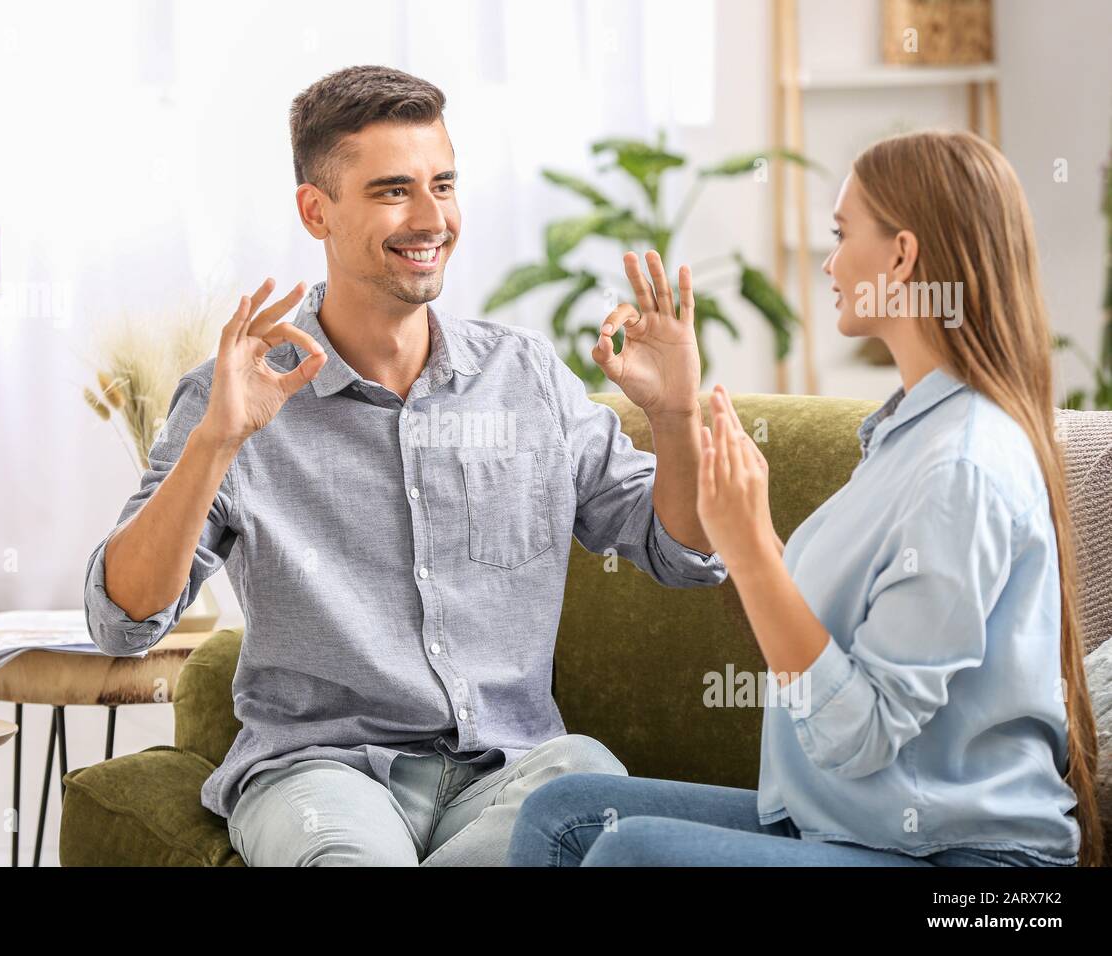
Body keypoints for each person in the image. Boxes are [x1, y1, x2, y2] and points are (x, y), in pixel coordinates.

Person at [83, 65, 727, 866]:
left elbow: (684, 553)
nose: (432, 219)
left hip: (518, 766)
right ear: (316, 210)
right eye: (393, 191)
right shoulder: (237, 396)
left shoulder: (525, 378)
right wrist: (215, 443)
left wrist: (673, 420)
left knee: (592, 795)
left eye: (443, 185)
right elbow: (122, 620)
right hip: (323, 773)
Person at [507, 130, 1104, 867]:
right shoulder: (904, 433)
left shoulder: (963, 466)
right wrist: (709, 478)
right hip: (855, 826)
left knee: (631, 854)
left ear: (902, 255)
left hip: (963, 865)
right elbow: (822, 641)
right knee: (561, 815)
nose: (828, 259)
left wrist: (753, 549)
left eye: (841, 232)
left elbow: (858, 734)